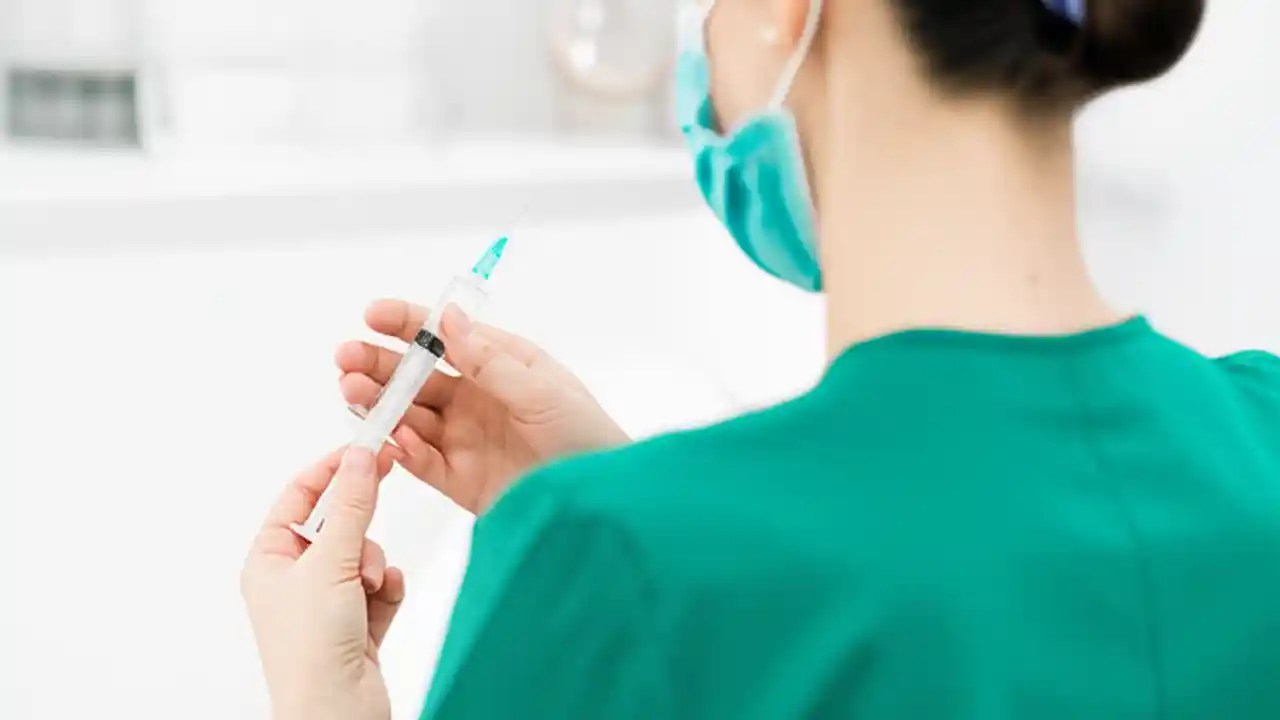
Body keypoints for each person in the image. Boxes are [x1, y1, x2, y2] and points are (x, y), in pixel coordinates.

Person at [241, 0, 1280, 717]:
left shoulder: (606, 564)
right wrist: (637, 506)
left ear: (789, 9)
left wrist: (321, 706)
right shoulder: (1262, 432)